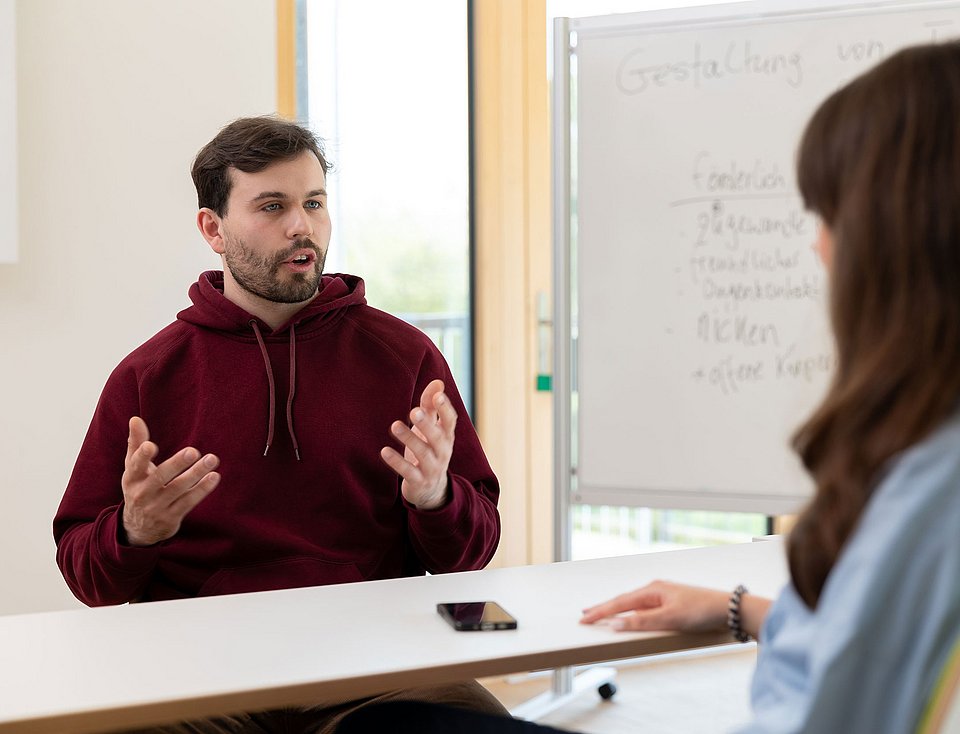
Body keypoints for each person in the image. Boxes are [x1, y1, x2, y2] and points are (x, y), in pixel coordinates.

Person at [336, 40, 960, 734]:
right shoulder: (929, 457)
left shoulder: (930, 480)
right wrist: (739, 609)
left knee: (389, 728)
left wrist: (433, 496)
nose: (818, 247)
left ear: (905, 235)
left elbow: (842, 703)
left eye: (831, 216)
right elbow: (866, 646)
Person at [53, 116, 509, 731]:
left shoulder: (405, 357)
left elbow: (471, 555)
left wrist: (436, 499)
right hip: (201, 679)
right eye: (272, 206)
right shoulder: (147, 376)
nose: (302, 226)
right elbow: (88, 578)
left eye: (314, 203)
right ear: (213, 229)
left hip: (378, 671)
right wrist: (134, 532)